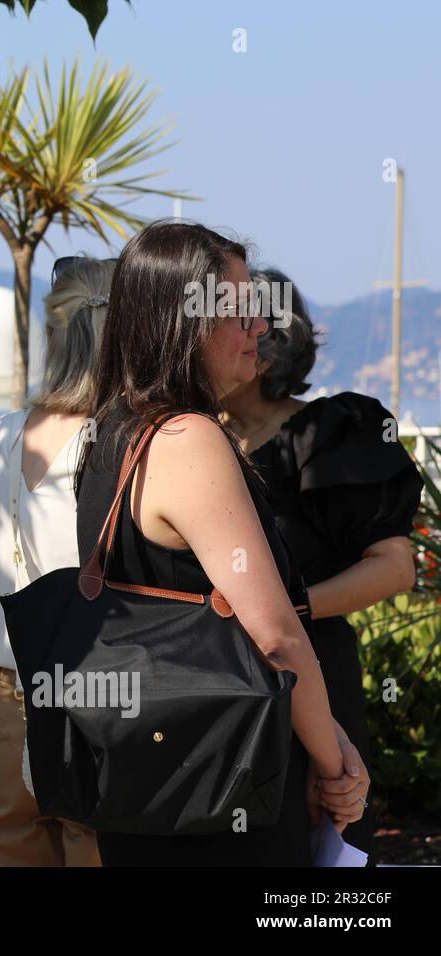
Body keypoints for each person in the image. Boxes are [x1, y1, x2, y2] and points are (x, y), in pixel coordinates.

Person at [73, 221, 370, 865]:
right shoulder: (188, 438)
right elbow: (275, 635)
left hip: (150, 781)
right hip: (225, 788)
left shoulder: (111, 433)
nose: (260, 328)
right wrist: (335, 760)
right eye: (240, 310)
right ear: (182, 322)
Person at [220, 268, 422, 861]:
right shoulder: (196, 443)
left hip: (312, 673)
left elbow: (394, 569)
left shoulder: (332, 432)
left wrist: (287, 609)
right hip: (217, 681)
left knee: (314, 849)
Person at [0, 255, 114, 867]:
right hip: (101, 693)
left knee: (1, 848)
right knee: (96, 847)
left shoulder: (1, 435)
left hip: (9, 695)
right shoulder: (124, 442)